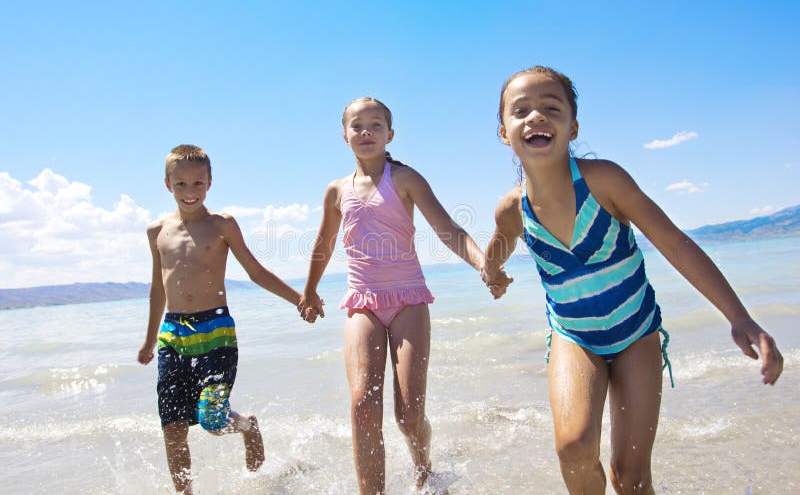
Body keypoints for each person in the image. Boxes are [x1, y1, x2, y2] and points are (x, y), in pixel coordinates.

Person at [481, 66, 784, 495]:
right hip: (574, 336)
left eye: (551, 108)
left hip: (636, 334)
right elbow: (499, 245)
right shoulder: (512, 208)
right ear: (504, 132)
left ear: (573, 126)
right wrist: (493, 274)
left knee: (630, 476)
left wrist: (739, 317)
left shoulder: (605, 181)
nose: (536, 117)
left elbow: (674, 244)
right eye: (521, 110)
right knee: (573, 447)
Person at [299, 98, 502, 494]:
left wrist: (483, 266)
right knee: (362, 404)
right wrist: (309, 291)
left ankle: (423, 467)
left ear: (390, 135)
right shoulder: (336, 190)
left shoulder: (405, 179)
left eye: (376, 125)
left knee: (409, 414)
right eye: (357, 126)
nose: (366, 132)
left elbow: (447, 228)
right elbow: (323, 242)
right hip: (362, 303)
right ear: (344, 136)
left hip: (408, 300)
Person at [137, 145, 314, 494]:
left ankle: (247, 426)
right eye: (181, 184)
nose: (190, 192)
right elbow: (158, 288)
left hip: (216, 331)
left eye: (198, 183)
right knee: (172, 427)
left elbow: (256, 272)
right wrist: (148, 340)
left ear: (210, 183)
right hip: (173, 334)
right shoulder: (155, 231)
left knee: (213, 420)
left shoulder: (222, 225)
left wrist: (299, 299)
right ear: (167, 184)